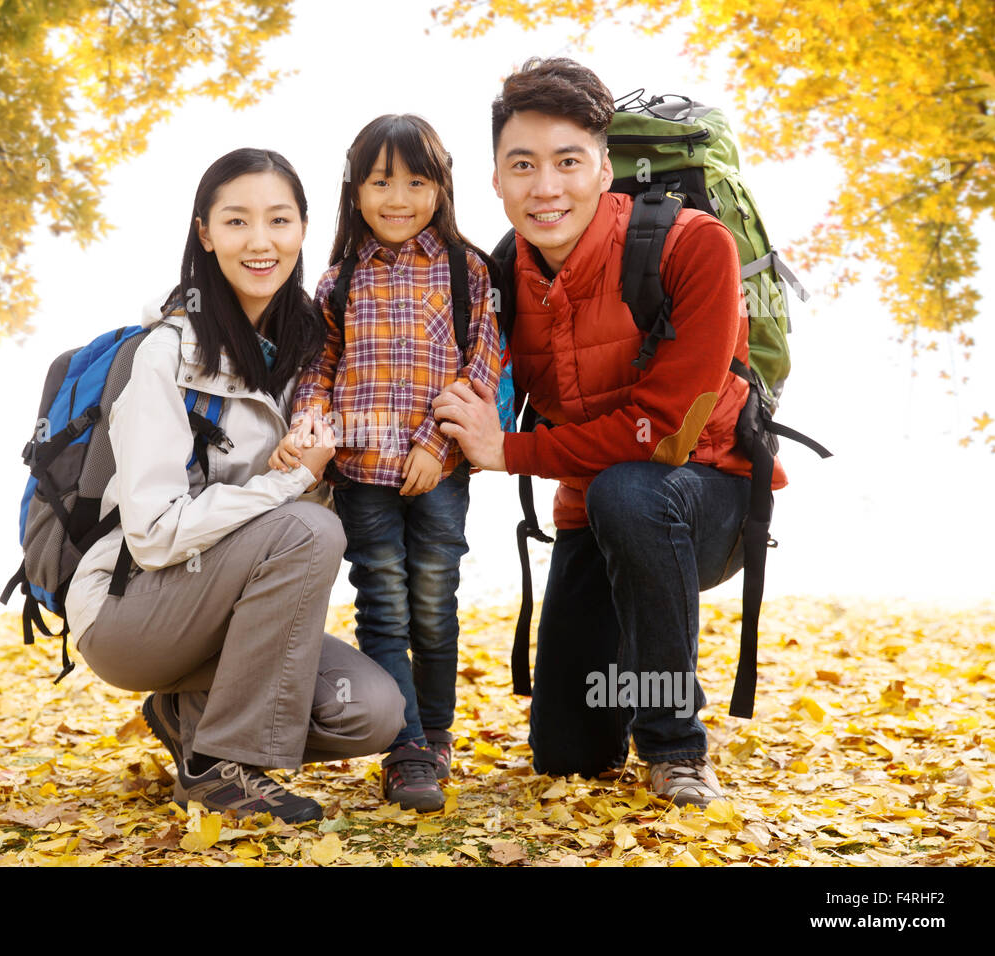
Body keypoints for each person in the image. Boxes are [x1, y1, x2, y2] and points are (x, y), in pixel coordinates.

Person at [434, 58, 785, 807]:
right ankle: (632, 666)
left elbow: (664, 431)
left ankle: (675, 746)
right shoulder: (495, 278)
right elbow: (465, 396)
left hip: (706, 497)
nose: (546, 187)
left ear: (604, 168)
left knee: (631, 492)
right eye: (521, 165)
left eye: (568, 162)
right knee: (570, 753)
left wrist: (513, 453)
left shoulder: (692, 246)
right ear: (494, 179)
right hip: (592, 512)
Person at [64, 148, 406, 823]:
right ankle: (222, 770)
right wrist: (288, 488)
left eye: (279, 220)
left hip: (225, 628)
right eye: (237, 221)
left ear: (303, 229)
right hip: (132, 613)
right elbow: (157, 534)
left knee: (372, 713)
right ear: (205, 233)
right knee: (310, 527)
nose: (260, 241)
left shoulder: (313, 351)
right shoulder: (167, 355)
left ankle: (188, 717)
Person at [271, 115, 501, 812]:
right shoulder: (339, 281)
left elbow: (484, 364)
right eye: (380, 182)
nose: (398, 197)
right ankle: (405, 750)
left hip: (438, 477)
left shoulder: (467, 270)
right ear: (356, 190)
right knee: (384, 605)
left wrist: (440, 447)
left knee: (433, 603)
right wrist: (311, 424)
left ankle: (436, 733)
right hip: (362, 477)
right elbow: (321, 366)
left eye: (416, 180)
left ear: (441, 186)